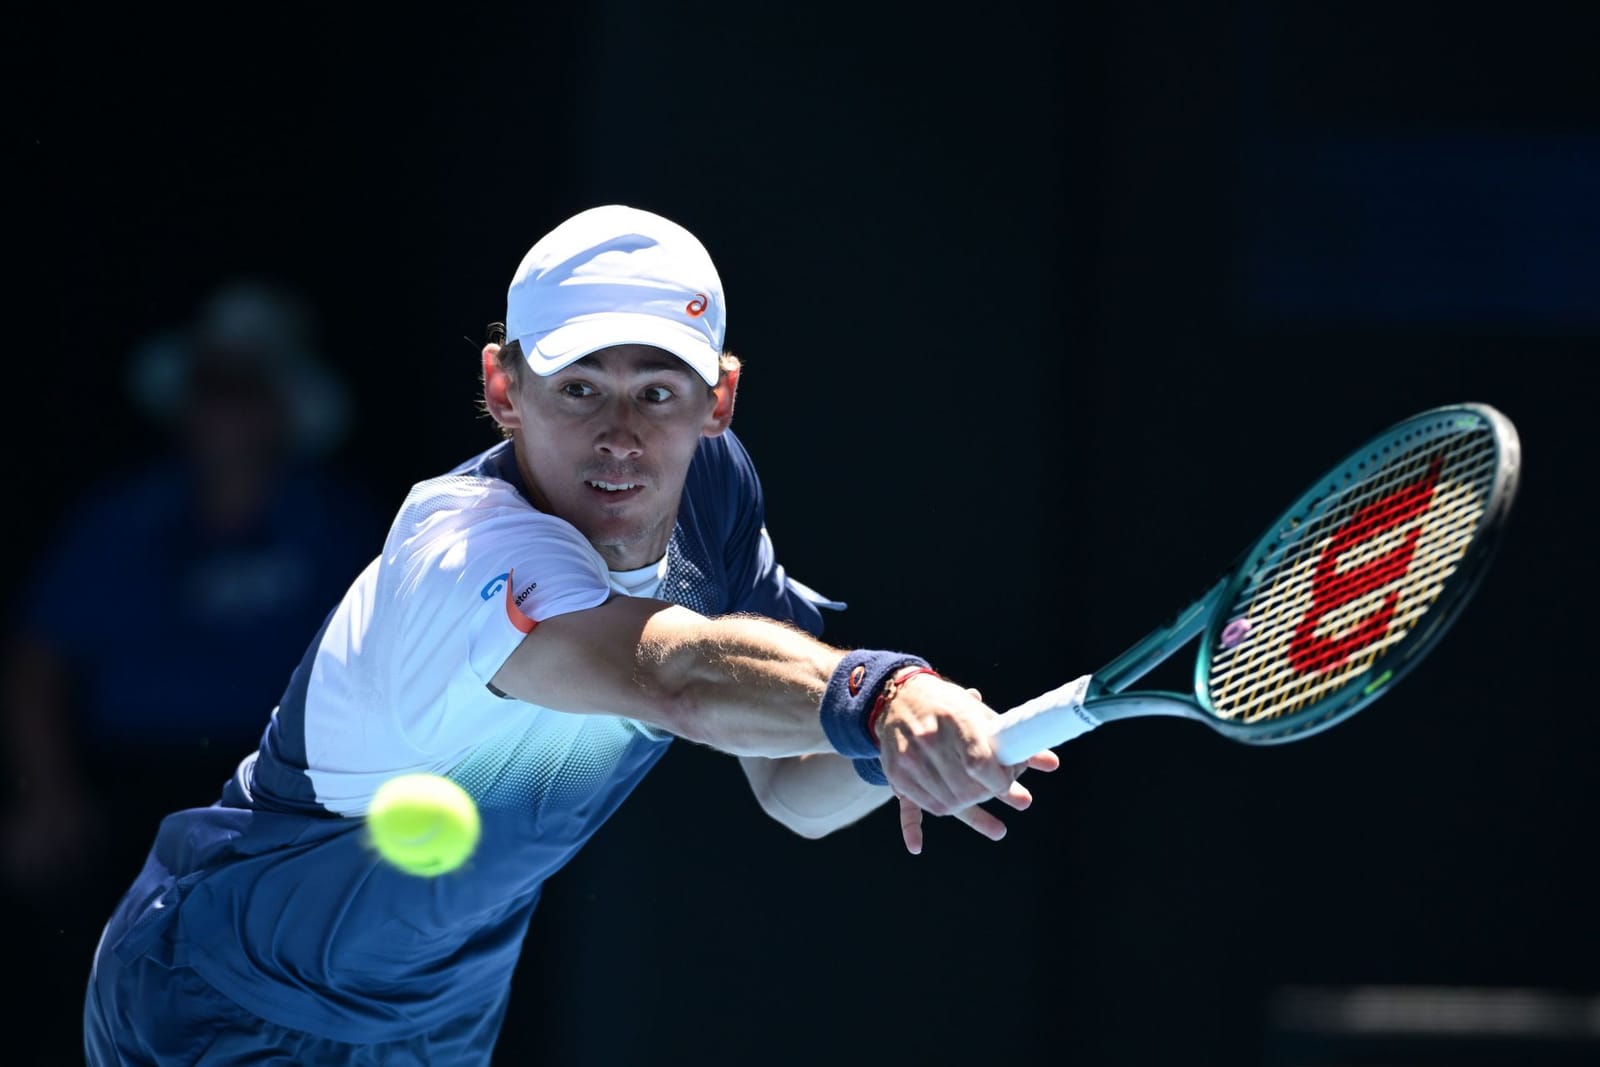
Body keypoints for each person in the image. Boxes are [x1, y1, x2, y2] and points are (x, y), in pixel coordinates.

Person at [81, 205, 1060, 1064]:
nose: (622, 435)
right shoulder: (461, 549)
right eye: (579, 387)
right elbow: (668, 673)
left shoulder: (711, 496)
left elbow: (792, 788)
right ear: (504, 389)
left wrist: (905, 751)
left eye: (658, 390)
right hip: (219, 1001)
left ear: (718, 399)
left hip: (442, 1016)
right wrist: (882, 697)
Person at [1, 279, 383, 1064]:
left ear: (284, 407)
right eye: (212, 388)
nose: (225, 411)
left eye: (248, 391)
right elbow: (39, 661)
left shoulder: (340, 523)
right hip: (130, 792)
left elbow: (387, 671)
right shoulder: (122, 517)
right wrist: (48, 796)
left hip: (280, 799)